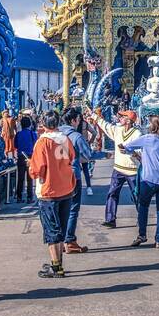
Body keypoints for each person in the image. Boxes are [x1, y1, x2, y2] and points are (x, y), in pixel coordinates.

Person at [29, 110, 76, 278]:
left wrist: (31, 167)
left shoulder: (42, 143)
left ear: (43, 124)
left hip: (48, 189)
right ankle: (59, 263)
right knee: (61, 227)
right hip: (66, 188)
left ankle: (56, 267)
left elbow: (37, 169)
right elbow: (71, 157)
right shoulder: (65, 139)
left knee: (51, 229)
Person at [120, 114, 159, 248]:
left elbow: (126, 147)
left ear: (152, 126)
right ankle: (158, 240)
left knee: (143, 206)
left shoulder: (147, 139)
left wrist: (125, 148)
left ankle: (142, 235)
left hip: (149, 180)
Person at [91, 108, 141, 227]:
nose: (120, 118)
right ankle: (110, 219)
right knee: (112, 193)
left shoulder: (137, 134)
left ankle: (142, 217)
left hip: (132, 170)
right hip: (118, 168)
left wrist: (130, 152)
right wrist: (94, 116)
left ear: (129, 121)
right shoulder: (118, 130)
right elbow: (106, 125)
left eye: (123, 117)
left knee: (137, 195)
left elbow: (140, 152)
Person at [59, 107, 95, 254]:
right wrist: (104, 155)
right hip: (73, 175)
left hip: (58, 175)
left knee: (60, 210)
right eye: (78, 120)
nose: (79, 122)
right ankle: (70, 240)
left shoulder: (55, 133)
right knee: (73, 209)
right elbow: (88, 154)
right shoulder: (76, 136)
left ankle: (59, 242)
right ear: (73, 120)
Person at [14, 114, 38, 203]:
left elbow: (15, 145)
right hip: (30, 157)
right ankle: (29, 197)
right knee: (30, 178)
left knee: (20, 178)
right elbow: (36, 145)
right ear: (29, 124)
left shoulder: (18, 134)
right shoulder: (33, 134)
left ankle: (19, 197)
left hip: (20, 156)